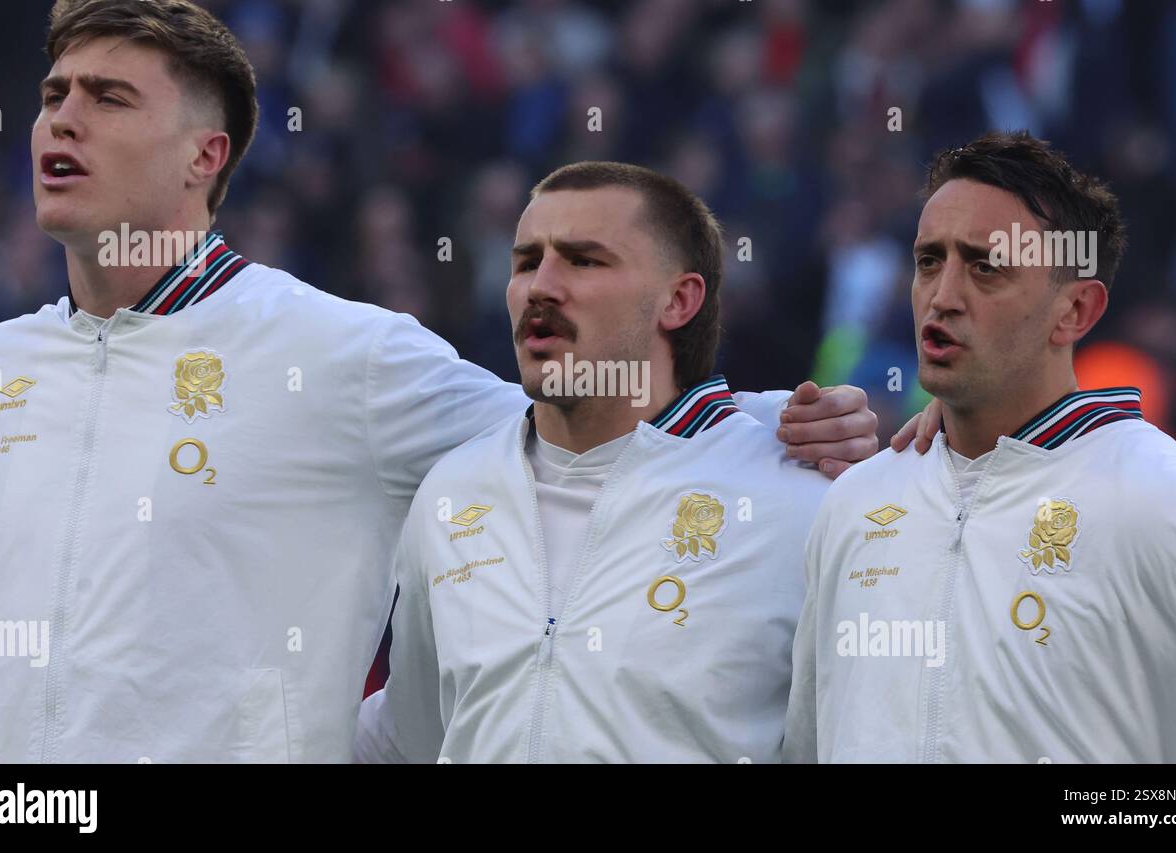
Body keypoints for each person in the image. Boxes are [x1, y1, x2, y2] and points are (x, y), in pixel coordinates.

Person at [0, 0, 876, 763]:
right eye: (53, 92)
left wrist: (762, 424)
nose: (61, 117)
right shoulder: (0, 366)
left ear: (206, 155)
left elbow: (572, 426)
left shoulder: (340, 353)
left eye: (109, 98)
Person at [785, 131, 1176, 763]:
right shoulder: (855, 503)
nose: (942, 296)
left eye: (985, 267)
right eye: (928, 261)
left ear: (1075, 311)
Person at [354, 162, 834, 763]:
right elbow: (417, 734)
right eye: (527, 262)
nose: (541, 287)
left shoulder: (799, 504)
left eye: (583, 260)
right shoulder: (451, 492)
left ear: (679, 300)